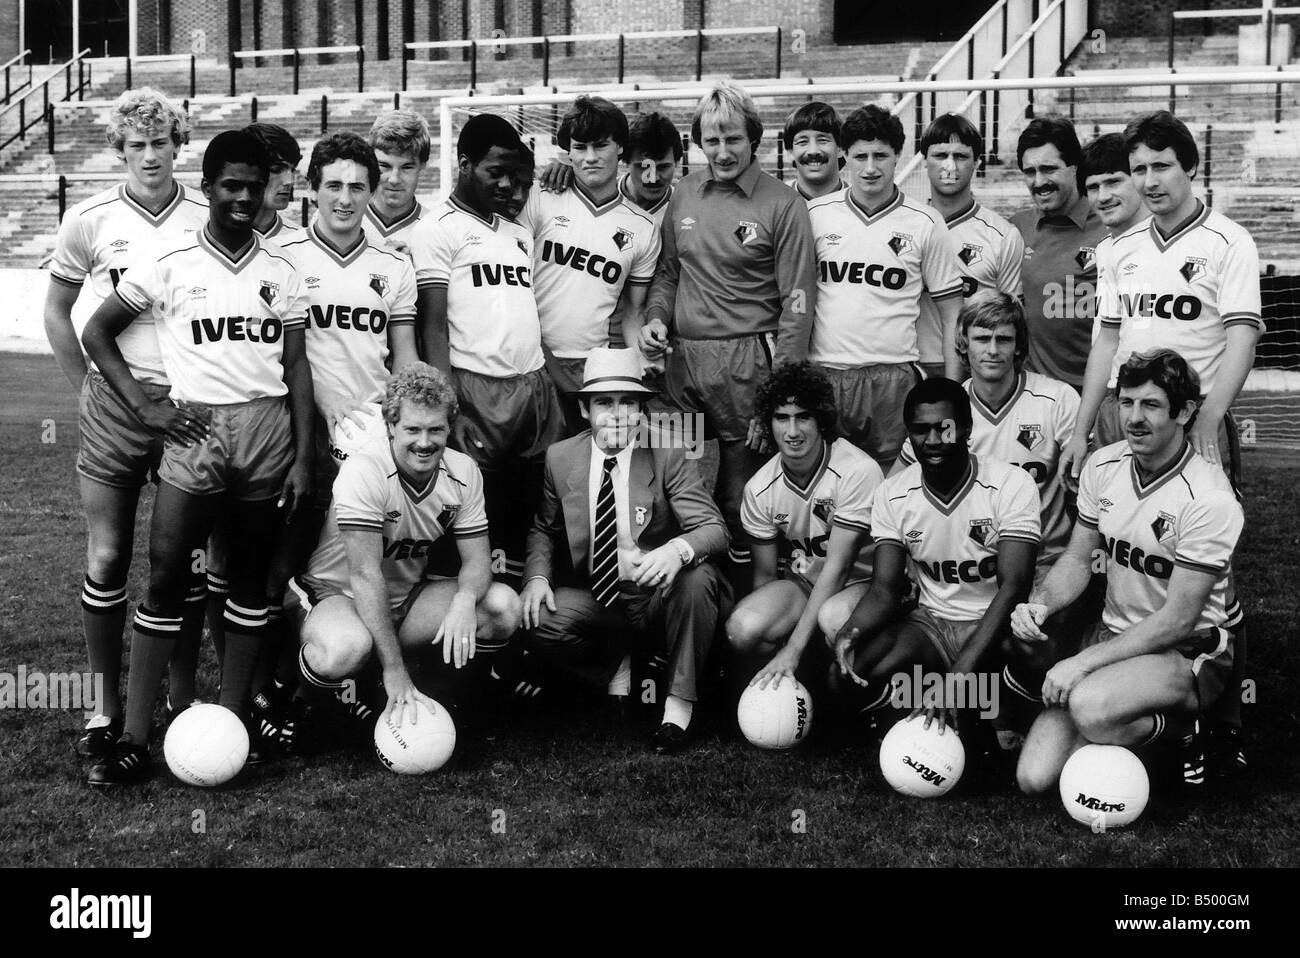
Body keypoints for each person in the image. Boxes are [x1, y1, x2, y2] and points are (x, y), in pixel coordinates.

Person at [80, 130, 315, 786]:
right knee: (162, 578)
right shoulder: (169, 260)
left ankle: (233, 722)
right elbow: (97, 331)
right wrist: (145, 408)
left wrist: (300, 456)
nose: (243, 197)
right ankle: (132, 736)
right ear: (208, 188)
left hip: (267, 433)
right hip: (196, 430)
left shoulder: (282, 270)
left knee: (246, 580)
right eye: (230, 186)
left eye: (253, 185)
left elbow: (296, 368)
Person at [43, 87, 209, 760]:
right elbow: (59, 312)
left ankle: (180, 695)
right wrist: (87, 389)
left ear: (178, 143)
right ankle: (105, 703)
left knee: (184, 561)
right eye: (136, 145)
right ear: (120, 149)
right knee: (108, 555)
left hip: (190, 404)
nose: (149, 155)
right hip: (116, 405)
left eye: (160, 142)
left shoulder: (206, 212)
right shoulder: (88, 219)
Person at [1012, 349, 1243, 794]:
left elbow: (1178, 620)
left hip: (1187, 652)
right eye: (1127, 402)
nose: (1134, 418)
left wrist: (1080, 663)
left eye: (1151, 405)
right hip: (1115, 638)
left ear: (1186, 411)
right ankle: (1132, 722)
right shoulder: (1104, 465)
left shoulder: (1209, 498)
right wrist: (1039, 605)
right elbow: (1078, 559)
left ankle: (1187, 735)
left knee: (1090, 709)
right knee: (1034, 778)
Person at [641, 80, 818, 589]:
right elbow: (668, 274)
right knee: (687, 489)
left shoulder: (783, 204)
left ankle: (748, 607)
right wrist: (656, 317)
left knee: (742, 497)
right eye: (711, 140)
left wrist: (778, 392)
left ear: (755, 140)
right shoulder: (684, 196)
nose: (722, 151)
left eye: (733, 139)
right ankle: (700, 602)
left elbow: (798, 304)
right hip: (685, 373)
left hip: (747, 372)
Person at [288, 362, 521, 732]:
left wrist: (463, 600)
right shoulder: (365, 471)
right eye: (412, 429)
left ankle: (443, 697)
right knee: (346, 647)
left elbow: (478, 562)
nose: (425, 442)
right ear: (391, 426)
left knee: (502, 607)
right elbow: (364, 576)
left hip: (404, 600)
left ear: (449, 427)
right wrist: (393, 668)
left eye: (436, 429)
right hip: (336, 594)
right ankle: (297, 701)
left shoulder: (463, 472)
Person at [520, 348, 732, 753]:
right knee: (532, 617)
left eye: (627, 403)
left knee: (698, 577)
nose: (617, 414)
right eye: (604, 402)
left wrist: (676, 551)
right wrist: (536, 577)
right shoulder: (561, 457)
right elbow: (543, 530)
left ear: (640, 410)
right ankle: (617, 662)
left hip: (655, 595)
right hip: (600, 600)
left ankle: (678, 707)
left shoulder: (667, 450)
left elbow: (714, 529)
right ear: (586, 410)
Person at [823, 378, 1040, 745]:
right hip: (934, 624)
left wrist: (958, 677)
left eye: (945, 428)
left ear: (967, 429)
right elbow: (884, 590)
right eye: (921, 431)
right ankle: (909, 706)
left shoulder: (1011, 484)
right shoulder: (893, 494)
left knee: (1035, 649)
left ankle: (1000, 715)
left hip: (993, 624)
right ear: (909, 436)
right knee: (842, 675)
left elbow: (1014, 588)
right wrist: (849, 633)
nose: (933, 440)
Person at [1064, 112, 1262, 490]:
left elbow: (1243, 342)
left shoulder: (1230, 241)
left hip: (1193, 410)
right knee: (1114, 529)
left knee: (1197, 534)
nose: (1149, 181)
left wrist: (1209, 417)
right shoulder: (1116, 249)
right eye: (1139, 169)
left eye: (1162, 166)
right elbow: (1106, 344)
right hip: (1123, 409)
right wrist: (1080, 431)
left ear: (1189, 166)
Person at [412, 114, 563, 589]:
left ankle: (513, 638)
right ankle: (457, 634)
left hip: (532, 387)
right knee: (472, 511)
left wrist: (562, 167)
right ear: (464, 164)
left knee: (525, 512)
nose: (505, 184)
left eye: (514, 177)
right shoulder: (438, 227)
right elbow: (432, 325)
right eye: (493, 172)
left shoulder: (518, 230)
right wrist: (444, 403)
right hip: (475, 389)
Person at [807, 105, 965, 469]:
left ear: (898, 156)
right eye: (860, 156)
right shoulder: (816, 215)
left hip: (893, 378)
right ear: (844, 156)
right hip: (827, 374)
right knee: (830, 486)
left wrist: (952, 393)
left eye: (881, 155)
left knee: (891, 489)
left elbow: (952, 314)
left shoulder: (925, 222)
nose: (870, 167)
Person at [895, 292, 1078, 572]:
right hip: (969, 564)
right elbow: (895, 487)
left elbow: (1087, 484)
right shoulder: (947, 410)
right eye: (982, 339)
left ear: (1018, 346)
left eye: (1003, 339)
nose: (992, 350)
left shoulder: (1056, 400)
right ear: (964, 343)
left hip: (1042, 561)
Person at [727, 361, 882, 692]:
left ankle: (856, 696)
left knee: (834, 617)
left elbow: (838, 570)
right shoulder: (759, 488)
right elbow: (765, 576)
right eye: (781, 418)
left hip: (866, 584)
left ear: (821, 420)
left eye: (803, 417)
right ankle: (780, 692)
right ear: (769, 423)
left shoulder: (857, 471)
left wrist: (792, 651)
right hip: (808, 585)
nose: (792, 431)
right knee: (743, 628)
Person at [515, 96, 661, 433]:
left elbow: (633, 313)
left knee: (590, 469)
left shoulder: (643, 226)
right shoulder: (540, 197)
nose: (590, 157)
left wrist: (644, 353)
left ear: (621, 148)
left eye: (601, 146)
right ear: (567, 150)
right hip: (531, 360)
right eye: (580, 147)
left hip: (597, 368)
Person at [915, 113, 1025, 380]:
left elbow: (1013, 319)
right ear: (924, 161)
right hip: (911, 366)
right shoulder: (909, 226)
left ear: (977, 161)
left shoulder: (1003, 235)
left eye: (961, 156)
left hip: (975, 369)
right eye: (940, 155)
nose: (950, 166)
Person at [1010, 115, 1109, 392]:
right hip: (1038, 396)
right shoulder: (1017, 228)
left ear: (1075, 167)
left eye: (1049, 169)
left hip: (1097, 393)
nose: (1039, 181)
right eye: (1030, 172)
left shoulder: (1110, 227)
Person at [364, 109, 432, 255]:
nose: (394, 179)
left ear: (423, 165)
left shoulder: (436, 229)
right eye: (384, 166)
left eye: (407, 167)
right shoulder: (341, 217)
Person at [244, 122, 303, 241]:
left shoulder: (299, 241)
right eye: (276, 170)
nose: (289, 181)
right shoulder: (210, 235)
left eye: (292, 170)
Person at [783, 101, 843, 201]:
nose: (813, 151)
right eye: (803, 142)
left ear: (841, 148)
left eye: (822, 140)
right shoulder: (774, 202)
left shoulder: (860, 201)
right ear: (790, 152)